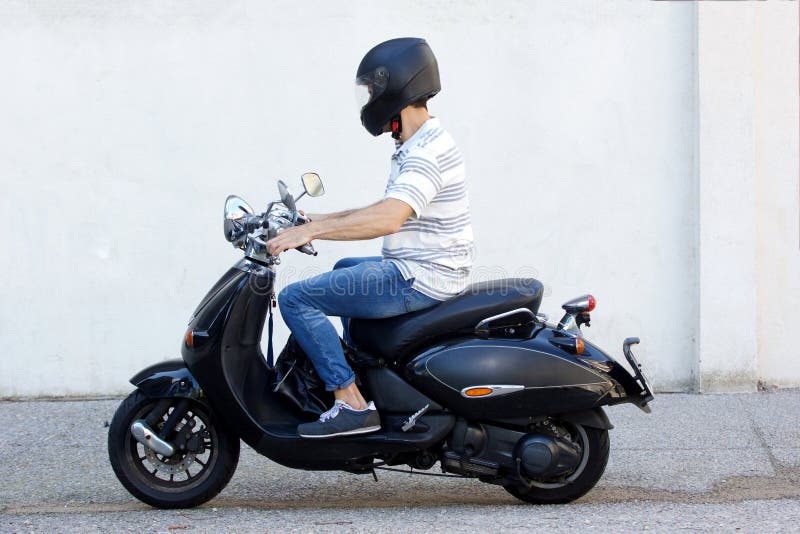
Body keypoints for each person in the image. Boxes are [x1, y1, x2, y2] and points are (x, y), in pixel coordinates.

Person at [266, 37, 473, 438]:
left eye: (373, 91)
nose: (370, 101)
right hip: (423, 268)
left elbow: (389, 218)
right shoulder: (420, 142)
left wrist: (312, 231)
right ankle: (366, 378)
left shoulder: (426, 154)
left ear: (397, 87)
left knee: (296, 298)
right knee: (344, 268)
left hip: (420, 277)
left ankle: (350, 402)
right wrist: (312, 219)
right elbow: (386, 206)